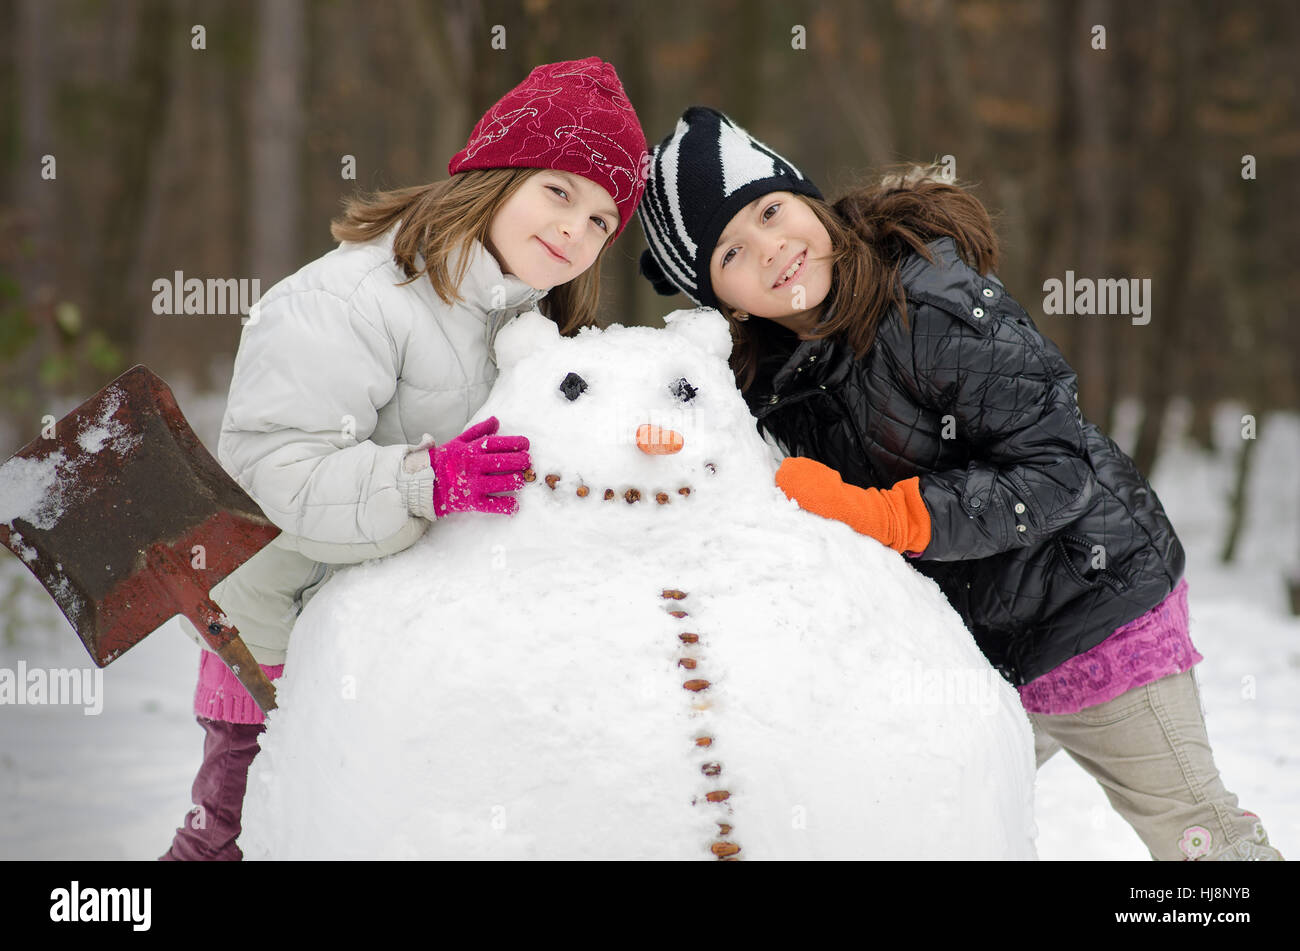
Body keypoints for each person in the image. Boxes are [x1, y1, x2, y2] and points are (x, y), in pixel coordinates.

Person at [636, 106, 1282, 861]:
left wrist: (890, 516)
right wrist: (662, 445)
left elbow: (1055, 467)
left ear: (806, 197)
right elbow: (719, 458)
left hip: (1094, 601)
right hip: (975, 652)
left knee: (1198, 838)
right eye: (733, 253)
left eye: (772, 210)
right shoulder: (773, 379)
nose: (773, 248)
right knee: (941, 828)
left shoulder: (928, 300)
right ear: (728, 302)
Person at [160, 57, 648, 860]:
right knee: (237, 838)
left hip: (387, 633)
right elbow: (270, 483)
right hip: (270, 639)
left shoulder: (518, 321)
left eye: (602, 221)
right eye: (559, 191)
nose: (576, 230)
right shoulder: (351, 299)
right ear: (496, 173)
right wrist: (425, 480)